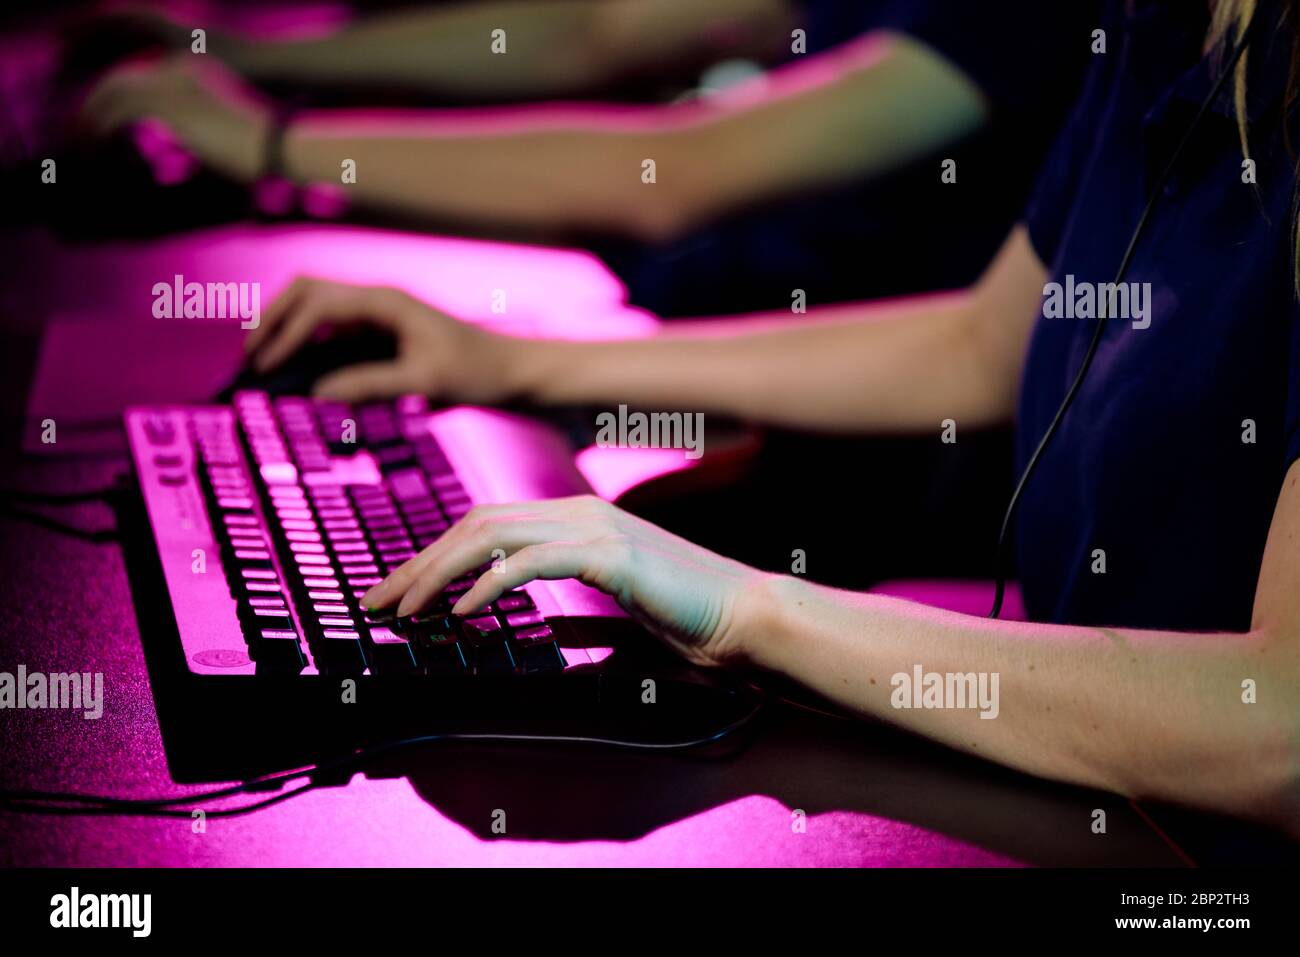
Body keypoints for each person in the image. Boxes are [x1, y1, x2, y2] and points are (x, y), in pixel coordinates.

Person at [231, 0, 1300, 833]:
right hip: (1092, 790)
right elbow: (983, 344)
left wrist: (750, 610)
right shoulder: (1170, 29)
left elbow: (1278, 733)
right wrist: (514, 362)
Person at [80, 1, 1097, 311]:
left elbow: (673, 178)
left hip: (822, 445)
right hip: (675, 319)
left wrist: (267, 143)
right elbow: (594, 34)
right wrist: (246, 59)